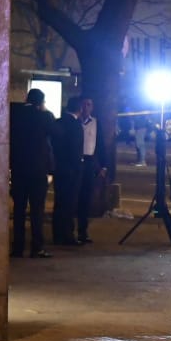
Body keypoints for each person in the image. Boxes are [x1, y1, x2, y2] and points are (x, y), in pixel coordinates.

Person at [9, 89, 55, 259]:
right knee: (37, 210)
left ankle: (18, 247)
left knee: (19, 209)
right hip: (38, 170)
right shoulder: (44, 117)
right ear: (41, 102)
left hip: (19, 169)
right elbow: (56, 134)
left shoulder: (16, 115)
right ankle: (37, 247)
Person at [51, 97, 86, 246]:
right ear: (80, 109)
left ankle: (57, 234)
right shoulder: (76, 125)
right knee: (70, 203)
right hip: (72, 169)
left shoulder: (58, 122)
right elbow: (75, 149)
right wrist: (79, 165)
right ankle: (67, 235)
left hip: (59, 167)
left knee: (59, 202)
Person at [75, 97, 100, 245]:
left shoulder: (96, 123)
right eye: (84, 104)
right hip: (75, 162)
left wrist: (102, 166)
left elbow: (100, 144)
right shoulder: (73, 121)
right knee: (73, 198)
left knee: (85, 198)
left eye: (89, 104)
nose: (86, 107)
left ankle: (83, 232)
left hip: (89, 162)